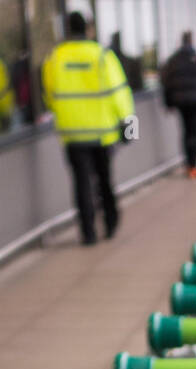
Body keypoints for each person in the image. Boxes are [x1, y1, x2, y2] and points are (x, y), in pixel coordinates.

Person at [41, 11, 134, 245]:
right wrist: (130, 128)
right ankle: (111, 223)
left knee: (81, 183)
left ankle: (88, 233)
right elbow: (121, 93)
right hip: (102, 133)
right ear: (88, 29)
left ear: (68, 30)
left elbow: (50, 97)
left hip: (72, 134)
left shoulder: (54, 58)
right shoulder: (102, 55)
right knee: (104, 180)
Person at [161, 30, 196, 177]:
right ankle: (193, 165)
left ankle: (189, 164)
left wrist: (168, 103)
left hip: (181, 103)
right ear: (192, 41)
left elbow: (166, 83)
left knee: (186, 133)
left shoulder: (173, 60)